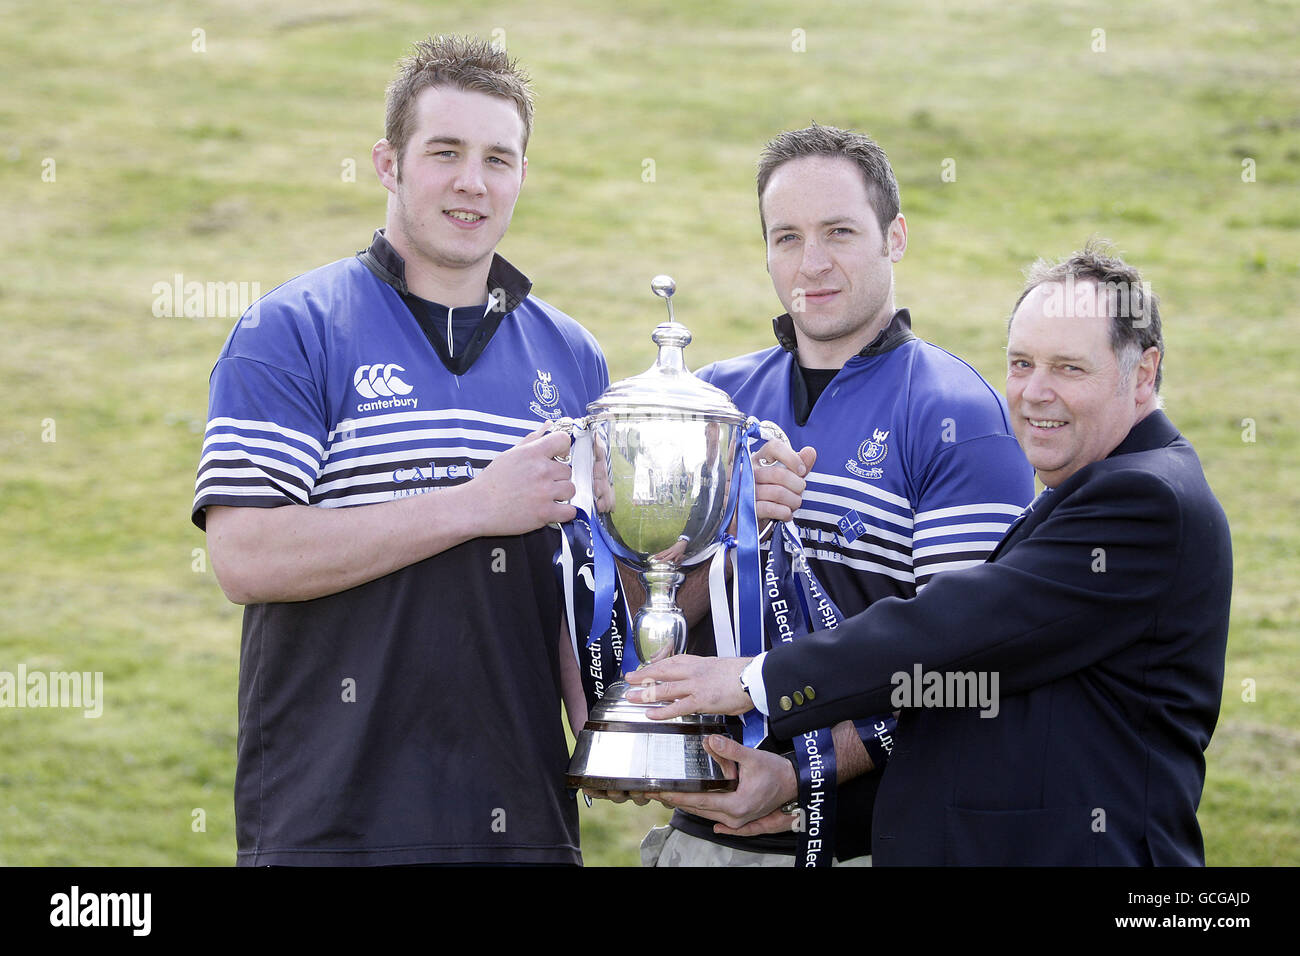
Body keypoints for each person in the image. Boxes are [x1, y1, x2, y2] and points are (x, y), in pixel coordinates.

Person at [630, 240, 1233, 866]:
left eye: (1069, 368)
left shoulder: (1146, 499)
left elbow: (956, 627)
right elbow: (967, 697)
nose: (1033, 393)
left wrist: (756, 679)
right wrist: (803, 791)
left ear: (1143, 373)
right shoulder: (1095, 491)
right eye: (1022, 364)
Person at [191, 35, 605, 865]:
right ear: (387, 163)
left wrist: (619, 733)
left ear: (523, 174)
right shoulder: (292, 330)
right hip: (329, 824)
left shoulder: (573, 357)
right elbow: (247, 557)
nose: (472, 182)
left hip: (522, 823)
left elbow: (579, 594)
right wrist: (472, 507)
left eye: (499, 158)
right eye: (444, 152)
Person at [628, 124, 1036, 866]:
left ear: (896, 237)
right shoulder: (711, 399)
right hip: (703, 838)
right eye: (786, 237)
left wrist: (798, 774)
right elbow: (639, 624)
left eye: (839, 232)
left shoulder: (963, 418)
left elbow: (973, 671)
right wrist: (722, 526)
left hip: (869, 842)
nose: (810, 264)